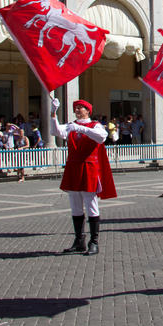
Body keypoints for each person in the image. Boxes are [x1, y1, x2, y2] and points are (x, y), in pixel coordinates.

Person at [52, 97, 116, 255]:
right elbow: (56, 131)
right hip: (74, 167)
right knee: (75, 205)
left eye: (81, 107)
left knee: (91, 204)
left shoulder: (96, 125)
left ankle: (94, 242)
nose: (77, 110)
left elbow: (101, 137)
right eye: (76, 107)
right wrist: (53, 114)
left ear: (88, 111)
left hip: (89, 167)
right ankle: (78, 240)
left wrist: (81, 129)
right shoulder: (71, 125)